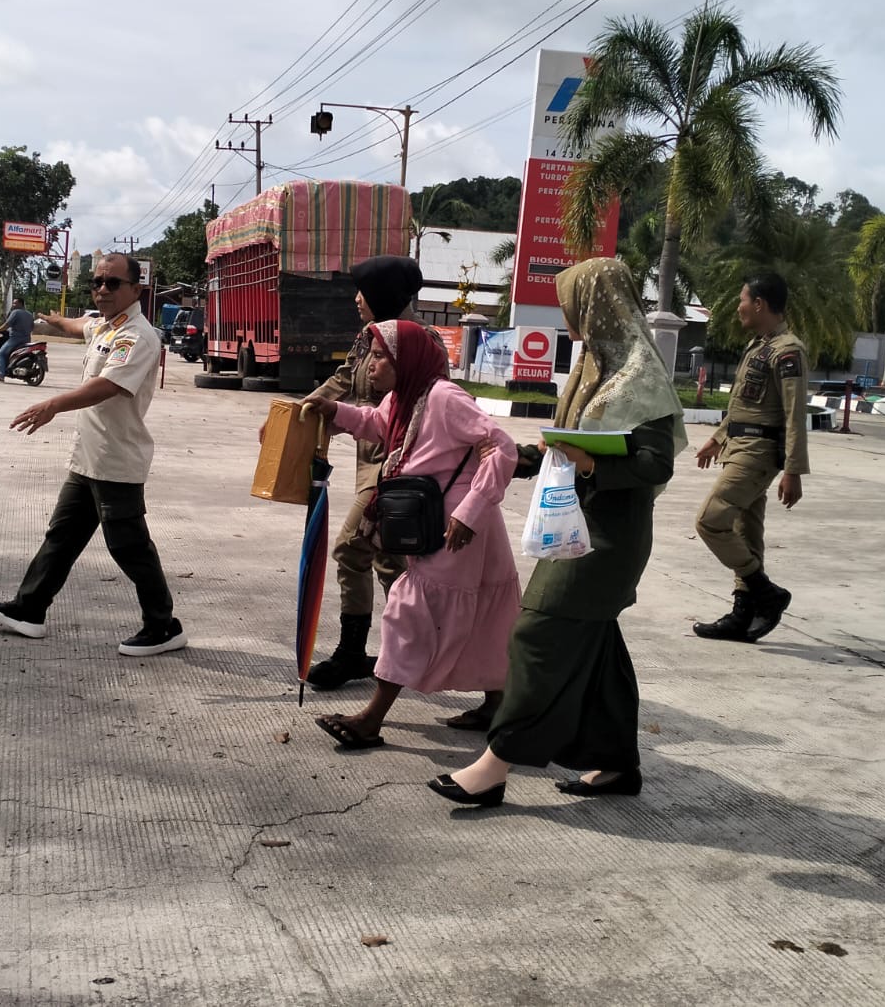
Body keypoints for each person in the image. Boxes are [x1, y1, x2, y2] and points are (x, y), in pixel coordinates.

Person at [430, 258, 687, 808]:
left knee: (537, 636)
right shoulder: (591, 370)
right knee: (595, 649)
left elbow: (654, 465)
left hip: (608, 541)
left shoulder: (640, 380)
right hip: (574, 528)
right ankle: (618, 764)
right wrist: (518, 456)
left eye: (571, 300)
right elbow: (567, 447)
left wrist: (588, 464)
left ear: (596, 305)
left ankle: (495, 766)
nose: (565, 310)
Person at [303, 320, 520, 749]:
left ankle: (371, 719)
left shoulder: (443, 396)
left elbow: (502, 446)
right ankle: (498, 702)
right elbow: (376, 424)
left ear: (408, 360)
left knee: (410, 613)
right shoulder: (407, 397)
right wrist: (334, 411)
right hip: (447, 522)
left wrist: (470, 511)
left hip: (455, 526)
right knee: (487, 615)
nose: (371, 365)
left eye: (381, 356)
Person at [0, 254, 186, 658]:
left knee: (129, 546)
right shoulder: (106, 326)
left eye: (113, 283)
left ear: (136, 290)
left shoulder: (137, 336)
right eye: (97, 282)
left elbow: (110, 385)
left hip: (116, 459)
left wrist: (53, 404)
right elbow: (80, 325)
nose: (103, 290)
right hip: (88, 459)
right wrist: (51, 320)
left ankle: (164, 626)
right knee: (62, 537)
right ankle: (29, 609)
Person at [294, 257, 454, 704]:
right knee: (388, 563)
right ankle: (393, 651)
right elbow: (345, 380)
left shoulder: (421, 341)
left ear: (383, 293)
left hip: (402, 468)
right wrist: (298, 413)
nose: (356, 299)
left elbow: (432, 404)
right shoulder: (370, 338)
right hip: (372, 465)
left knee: (352, 547)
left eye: (363, 290)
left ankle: (372, 651)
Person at [691, 271, 809, 643]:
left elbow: (793, 415)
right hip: (738, 447)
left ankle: (766, 594)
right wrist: (717, 438)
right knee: (746, 531)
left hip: (758, 453)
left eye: (743, 300)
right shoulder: (758, 346)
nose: (739, 307)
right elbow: (744, 404)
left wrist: (793, 470)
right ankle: (743, 614)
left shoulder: (787, 350)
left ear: (759, 303)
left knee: (710, 521)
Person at [0, 296, 37, 381]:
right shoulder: (29, 314)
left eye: (15, 303)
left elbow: (7, 324)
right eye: (13, 303)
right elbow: (32, 327)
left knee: (0, 354)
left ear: (20, 304)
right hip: (27, 339)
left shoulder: (16, 312)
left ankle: (1, 375)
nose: (13, 305)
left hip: (15, 339)